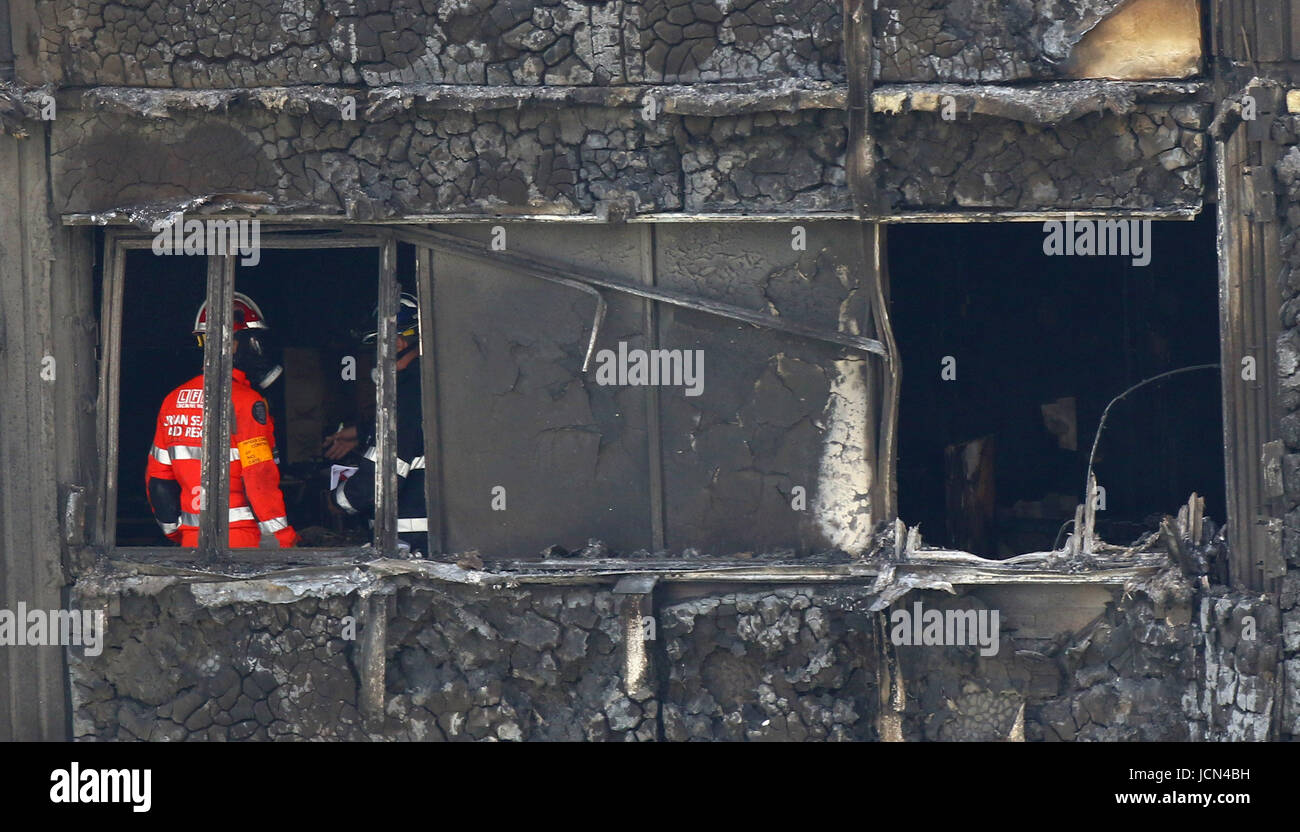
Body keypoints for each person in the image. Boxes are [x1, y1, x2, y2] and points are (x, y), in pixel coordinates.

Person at [145, 292, 298, 548]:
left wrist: (176, 532)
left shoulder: (172, 400)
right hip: (241, 542)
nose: (259, 349)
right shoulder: (246, 402)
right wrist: (283, 537)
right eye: (254, 340)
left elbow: (158, 480)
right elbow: (258, 477)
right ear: (234, 344)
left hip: (192, 542)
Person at [324, 292, 428, 555]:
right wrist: (362, 433)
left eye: (376, 346)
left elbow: (378, 483)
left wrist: (338, 500)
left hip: (412, 546)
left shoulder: (405, 396)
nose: (374, 357)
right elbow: (410, 437)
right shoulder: (426, 387)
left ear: (399, 343)